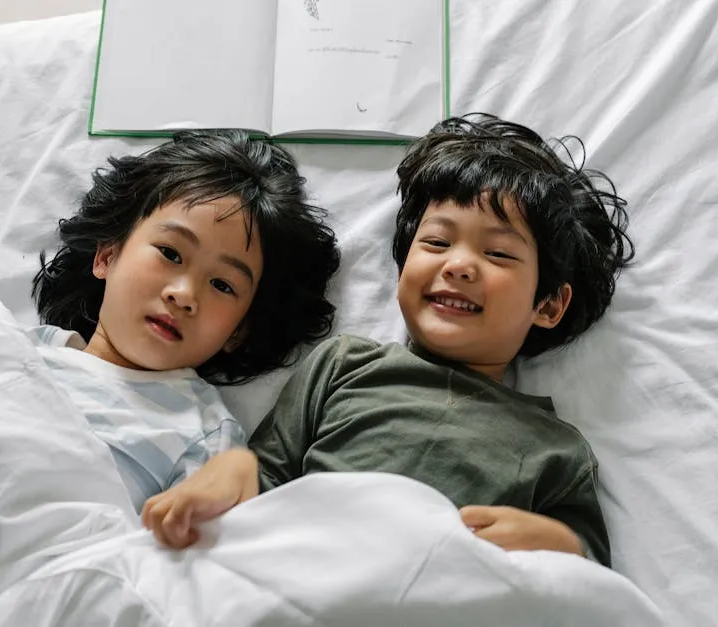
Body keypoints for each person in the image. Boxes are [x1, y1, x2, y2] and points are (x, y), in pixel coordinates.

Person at [141, 114, 634, 567]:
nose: (458, 264)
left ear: (548, 305)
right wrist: (231, 472)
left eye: (499, 254)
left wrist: (554, 543)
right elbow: (267, 476)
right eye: (436, 242)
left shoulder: (556, 449)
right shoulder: (344, 364)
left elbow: (590, 577)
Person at [0, 130, 341, 513]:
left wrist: (229, 486)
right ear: (108, 255)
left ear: (240, 330)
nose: (184, 294)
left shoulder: (204, 434)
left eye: (223, 286)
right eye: (170, 252)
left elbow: (188, 569)